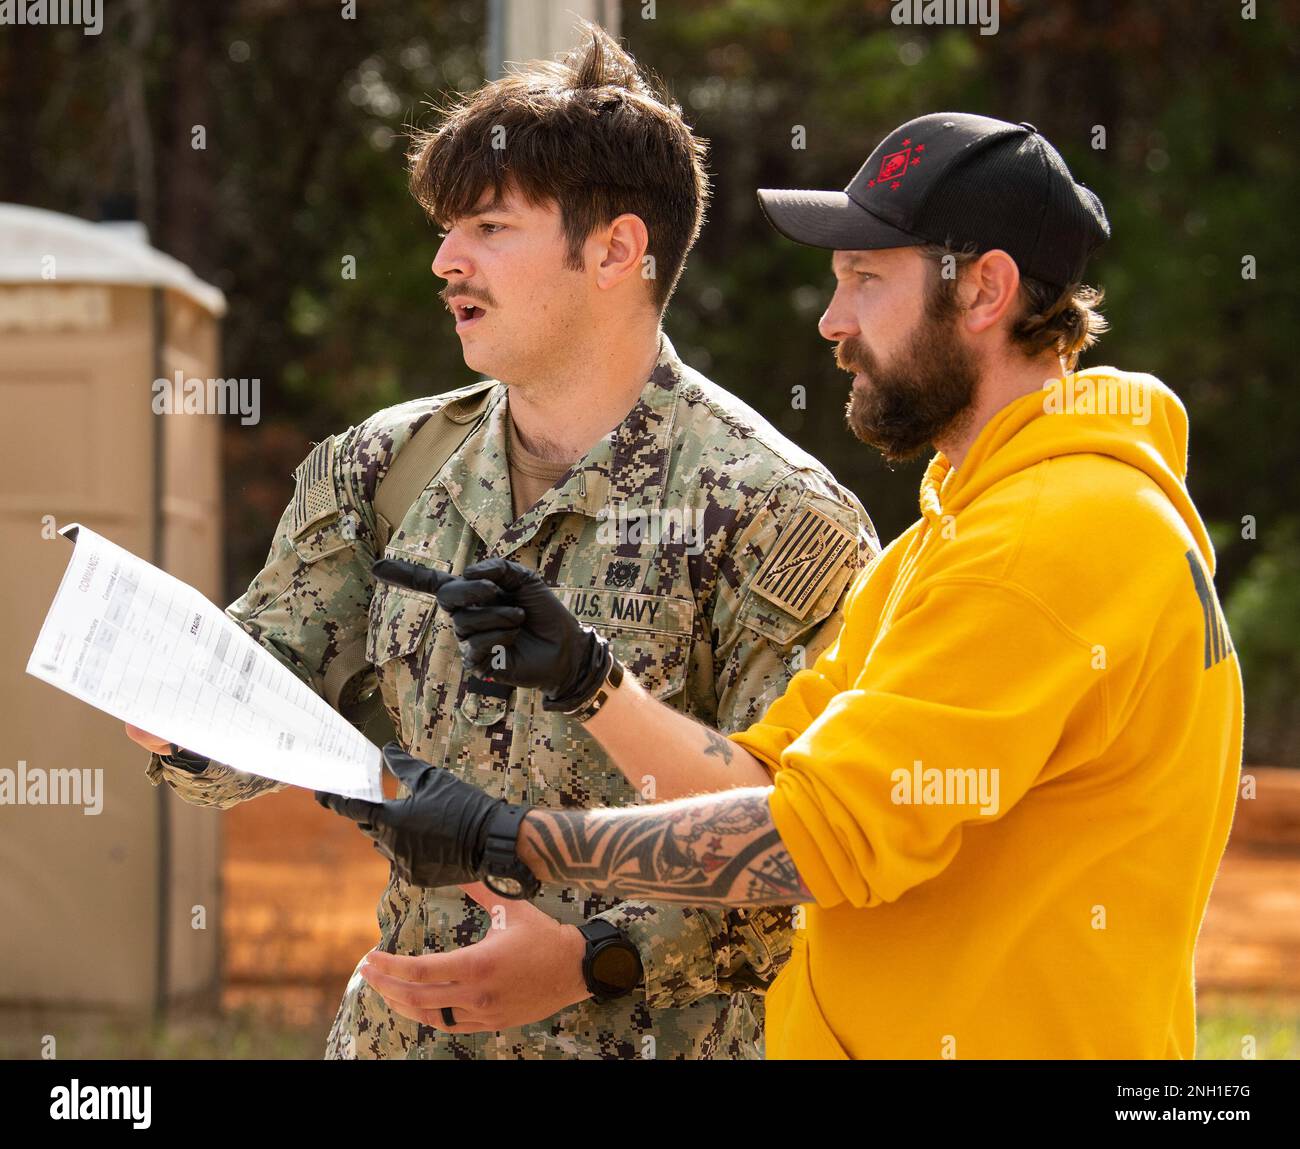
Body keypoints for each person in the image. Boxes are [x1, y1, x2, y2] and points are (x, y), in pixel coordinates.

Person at [320, 113, 1244, 1060]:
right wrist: (589, 682)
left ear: (985, 289)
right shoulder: (961, 536)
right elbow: (768, 780)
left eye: (866, 280)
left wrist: (507, 837)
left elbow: (808, 843)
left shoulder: (1049, 535)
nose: (832, 321)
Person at [125, 25, 877, 1060]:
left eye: (487, 226)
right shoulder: (377, 470)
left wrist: (595, 956)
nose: (444, 261)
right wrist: (178, 718)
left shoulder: (780, 518)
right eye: (444, 230)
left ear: (615, 249)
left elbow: (811, 840)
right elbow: (253, 729)